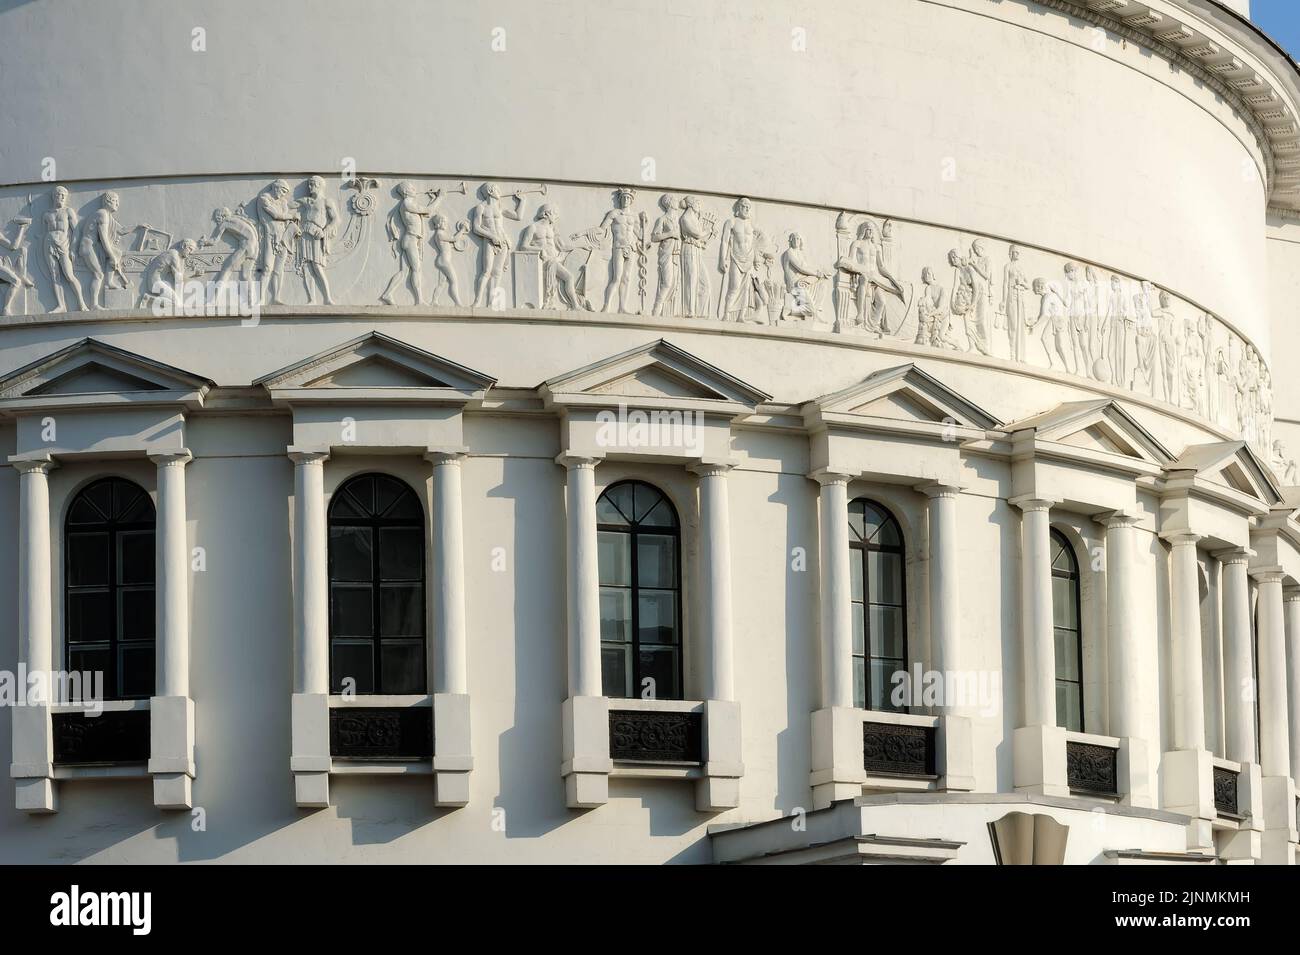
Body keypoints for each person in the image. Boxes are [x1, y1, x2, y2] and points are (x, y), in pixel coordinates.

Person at [381, 182, 448, 305]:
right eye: (412, 188)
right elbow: (428, 210)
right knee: (417, 269)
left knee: (403, 272)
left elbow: (427, 213)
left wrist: (433, 199)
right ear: (406, 192)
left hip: (411, 240)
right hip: (410, 239)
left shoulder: (410, 204)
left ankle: (387, 294)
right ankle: (419, 300)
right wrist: (440, 197)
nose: (415, 189)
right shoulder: (407, 203)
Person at [520, 203, 588, 310]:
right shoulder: (532, 228)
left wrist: (580, 246)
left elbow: (562, 246)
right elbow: (523, 246)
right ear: (546, 213)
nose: (556, 216)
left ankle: (574, 305)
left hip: (555, 259)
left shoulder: (552, 229)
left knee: (569, 277)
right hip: (544, 261)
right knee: (569, 277)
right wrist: (540, 249)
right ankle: (574, 305)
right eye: (554, 213)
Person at [77, 191, 135, 309]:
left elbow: (121, 230)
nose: (117, 204)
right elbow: (104, 239)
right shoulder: (102, 214)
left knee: (118, 252)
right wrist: (111, 257)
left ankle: (109, 282)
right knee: (98, 274)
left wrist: (138, 226)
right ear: (107, 201)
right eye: (115, 201)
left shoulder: (108, 216)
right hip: (88, 246)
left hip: (94, 245)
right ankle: (93, 304)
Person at [471, 183, 525, 307]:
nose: (499, 192)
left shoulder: (500, 208)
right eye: (497, 189)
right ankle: (477, 301)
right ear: (490, 191)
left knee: (497, 272)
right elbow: (475, 228)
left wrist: (522, 201)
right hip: (490, 241)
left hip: (503, 241)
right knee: (486, 271)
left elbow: (518, 216)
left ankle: (493, 303)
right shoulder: (481, 207)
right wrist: (491, 236)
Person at [598, 187, 644, 314]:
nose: (626, 200)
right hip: (618, 246)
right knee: (616, 277)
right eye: (623, 197)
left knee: (626, 278)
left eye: (628, 198)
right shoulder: (614, 213)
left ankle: (622, 307)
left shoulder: (634, 216)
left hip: (631, 247)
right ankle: (606, 306)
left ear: (631, 200)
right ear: (620, 199)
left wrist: (646, 222)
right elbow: (602, 228)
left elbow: (639, 235)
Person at [44, 186, 87, 312]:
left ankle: (82, 303)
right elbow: (41, 233)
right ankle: (61, 305)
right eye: (59, 194)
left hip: (64, 244)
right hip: (48, 244)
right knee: (54, 276)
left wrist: (73, 248)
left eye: (64, 195)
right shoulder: (46, 214)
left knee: (69, 275)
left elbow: (76, 231)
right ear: (54, 196)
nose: (61, 197)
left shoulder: (68, 211)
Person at [718, 197, 761, 322]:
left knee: (746, 288)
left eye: (748, 207)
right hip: (735, 257)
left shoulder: (752, 224)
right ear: (738, 208)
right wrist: (722, 259)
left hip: (748, 259)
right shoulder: (731, 222)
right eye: (743, 206)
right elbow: (725, 241)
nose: (746, 209)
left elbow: (760, 239)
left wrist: (756, 256)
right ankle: (726, 313)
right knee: (734, 286)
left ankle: (741, 316)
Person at [297, 175, 338, 305]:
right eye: (309, 184)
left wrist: (324, 231)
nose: (310, 187)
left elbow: (336, 219)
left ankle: (327, 298)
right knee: (306, 267)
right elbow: (291, 205)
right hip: (304, 234)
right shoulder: (306, 201)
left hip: (316, 235)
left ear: (320, 185)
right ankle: (312, 299)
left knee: (317, 267)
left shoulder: (327, 201)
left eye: (312, 184)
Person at [256, 179, 297, 305]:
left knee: (279, 269)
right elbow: (275, 214)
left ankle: (276, 297)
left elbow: (283, 215)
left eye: (286, 192)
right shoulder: (264, 198)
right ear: (276, 187)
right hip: (269, 236)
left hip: (283, 237)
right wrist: (291, 216)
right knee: (267, 267)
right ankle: (261, 299)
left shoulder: (283, 201)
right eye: (283, 190)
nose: (283, 194)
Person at [209, 206, 260, 292]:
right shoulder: (237, 218)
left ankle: (214, 299)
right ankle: (252, 301)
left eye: (217, 217)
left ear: (222, 216)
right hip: (255, 248)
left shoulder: (225, 222)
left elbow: (214, 241)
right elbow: (252, 223)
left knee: (226, 269)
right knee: (245, 275)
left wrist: (204, 242)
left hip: (246, 247)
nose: (216, 220)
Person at [780, 232, 828, 321]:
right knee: (810, 310)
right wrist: (817, 273)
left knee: (822, 284)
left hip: (802, 281)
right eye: (794, 239)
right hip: (795, 284)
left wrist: (819, 273)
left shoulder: (800, 253)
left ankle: (815, 312)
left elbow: (806, 267)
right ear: (790, 241)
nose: (796, 241)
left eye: (798, 238)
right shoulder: (789, 253)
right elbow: (800, 267)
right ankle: (790, 309)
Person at [679, 195, 714, 317]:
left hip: (697, 250)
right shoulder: (685, 218)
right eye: (698, 204)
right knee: (691, 280)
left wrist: (710, 235)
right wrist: (708, 230)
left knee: (705, 285)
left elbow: (701, 238)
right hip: (689, 249)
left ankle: (701, 313)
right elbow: (698, 234)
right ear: (692, 204)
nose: (700, 206)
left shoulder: (695, 218)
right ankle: (690, 311)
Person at [650, 194, 681, 317]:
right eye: (675, 200)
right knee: (667, 282)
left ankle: (666, 312)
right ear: (669, 203)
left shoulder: (677, 220)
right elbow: (654, 237)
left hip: (676, 254)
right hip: (666, 253)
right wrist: (670, 233)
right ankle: (656, 310)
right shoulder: (662, 219)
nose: (677, 201)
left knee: (674, 284)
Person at [1000, 245, 1030, 361]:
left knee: (1020, 326)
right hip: (1011, 297)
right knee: (1013, 325)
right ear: (1010, 253)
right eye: (1015, 252)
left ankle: (1021, 355)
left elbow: (1027, 285)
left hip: (1020, 298)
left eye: (1018, 253)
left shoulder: (1021, 268)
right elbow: (1005, 283)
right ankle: (1012, 353)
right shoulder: (1007, 266)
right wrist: (1003, 300)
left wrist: (1021, 283)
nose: (1017, 254)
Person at [0, 216, 34, 316]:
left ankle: (22, 275)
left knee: (22, 250)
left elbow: (13, 246)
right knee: (16, 281)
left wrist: (21, 229)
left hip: (2, 263)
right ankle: (5, 309)